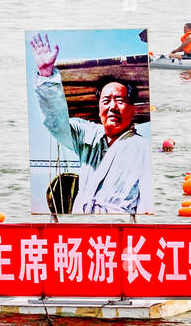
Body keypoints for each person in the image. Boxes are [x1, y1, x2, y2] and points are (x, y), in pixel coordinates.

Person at [30, 33, 152, 215]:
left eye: (120, 100)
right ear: (98, 108)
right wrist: (46, 75)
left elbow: (147, 203)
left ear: (133, 109)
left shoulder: (142, 148)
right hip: (83, 222)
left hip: (118, 226)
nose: (113, 107)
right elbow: (56, 124)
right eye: (106, 101)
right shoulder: (88, 136)